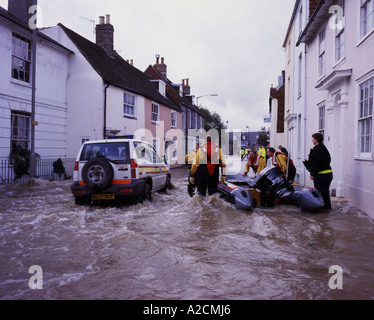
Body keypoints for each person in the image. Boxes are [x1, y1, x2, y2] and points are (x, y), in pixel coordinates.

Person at [306, 133, 333, 210]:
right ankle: (324, 210)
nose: (312, 140)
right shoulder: (320, 148)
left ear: (316, 140)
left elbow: (317, 163)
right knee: (322, 193)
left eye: (313, 138)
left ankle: (326, 210)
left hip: (323, 176)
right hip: (323, 175)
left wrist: (312, 173)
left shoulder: (320, 149)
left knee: (323, 194)